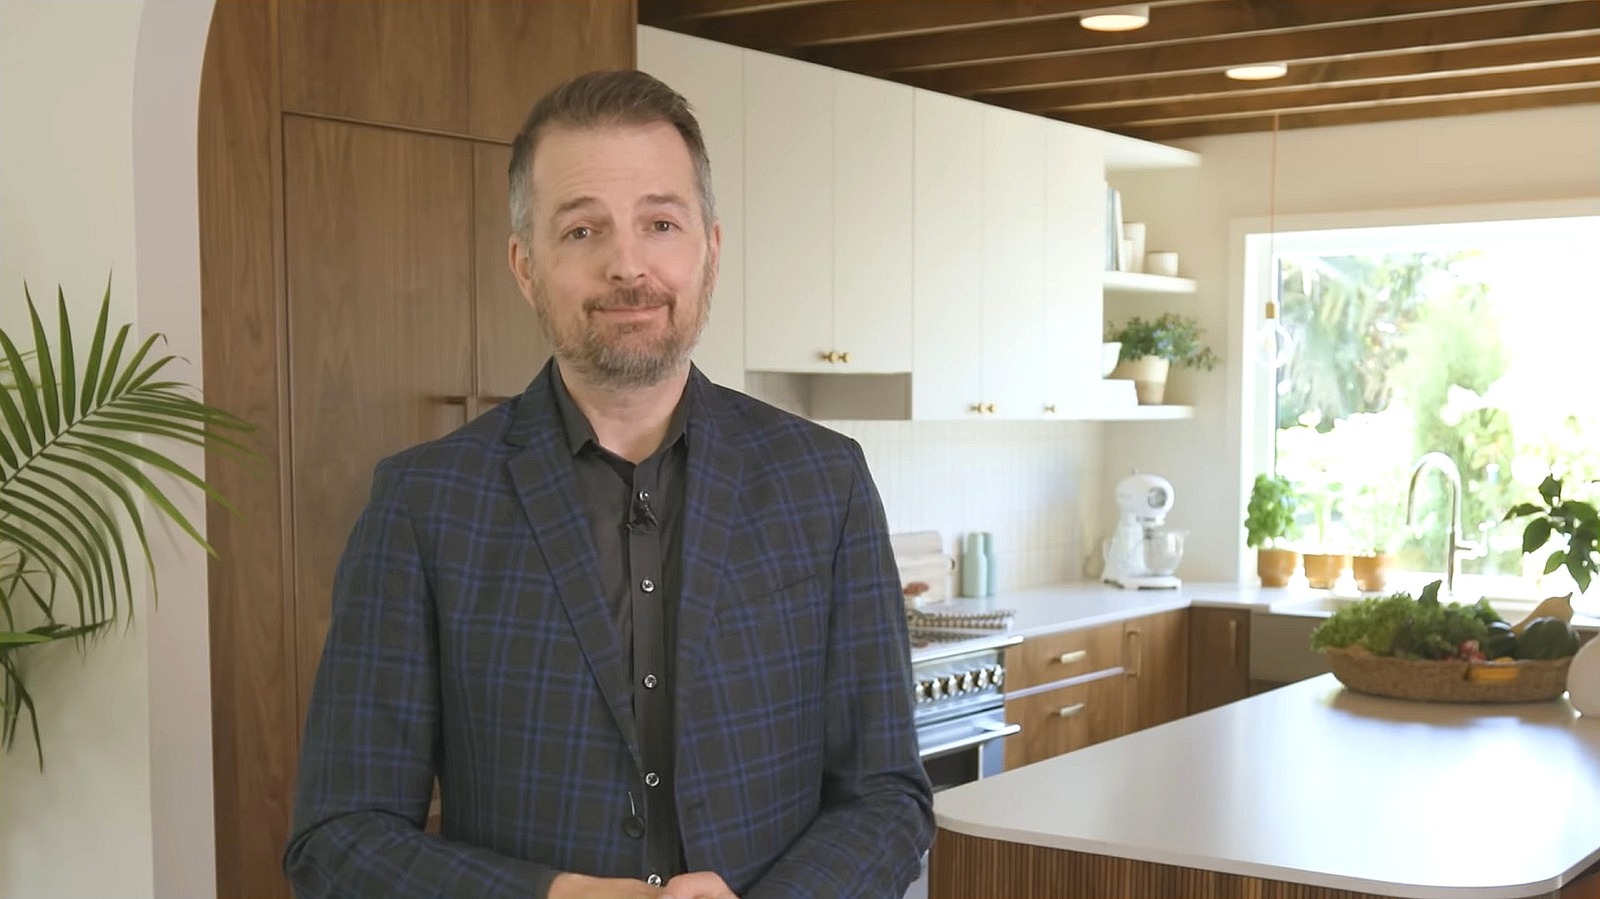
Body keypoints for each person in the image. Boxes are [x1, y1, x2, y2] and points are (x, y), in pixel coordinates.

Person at [282, 69, 934, 899]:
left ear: (710, 248)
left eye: (660, 222)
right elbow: (337, 838)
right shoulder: (421, 506)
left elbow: (888, 795)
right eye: (583, 231)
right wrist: (554, 897)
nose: (630, 264)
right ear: (525, 266)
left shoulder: (824, 481)